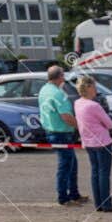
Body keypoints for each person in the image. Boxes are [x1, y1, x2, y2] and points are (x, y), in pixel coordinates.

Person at [37, 65, 86, 206]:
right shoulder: (58, 94)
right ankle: (64, 198)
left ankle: (74, 194)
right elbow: (66, 117)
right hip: (61, 133)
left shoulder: (44, 90)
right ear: (60, 77)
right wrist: (82, 128)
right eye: (63, 75)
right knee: (65, 166)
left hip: (53, 131)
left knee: (71, 164)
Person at [74, 77, 112, 213]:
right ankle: (107, 203)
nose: (96, 89)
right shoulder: (94, 105)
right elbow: (110, 124)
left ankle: (99, 203)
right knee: (104, 173)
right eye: (94, 86)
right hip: (102, 142)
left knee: (95, 172)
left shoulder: (77, 103)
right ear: (88, 88)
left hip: (88, 142)